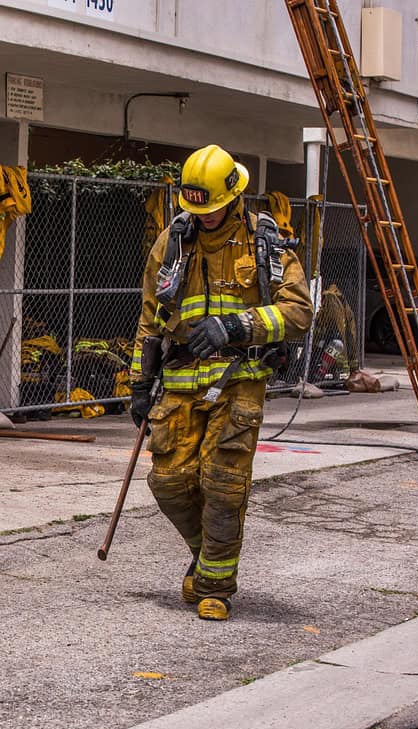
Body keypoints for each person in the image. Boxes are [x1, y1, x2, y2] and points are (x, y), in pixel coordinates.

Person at [129, 145, 312, 621]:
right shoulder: (172, 244)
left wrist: (239, 327)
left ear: (234, 198)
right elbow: (150, 318)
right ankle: (206, 552)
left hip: (239, 379)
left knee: (223, 486)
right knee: (168, 482)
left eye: (211, 209)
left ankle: (214, 584)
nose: (204, 218)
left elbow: (299, 311)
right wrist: (138, 382)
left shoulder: (265, 243)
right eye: (196, 209)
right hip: (180, 381)